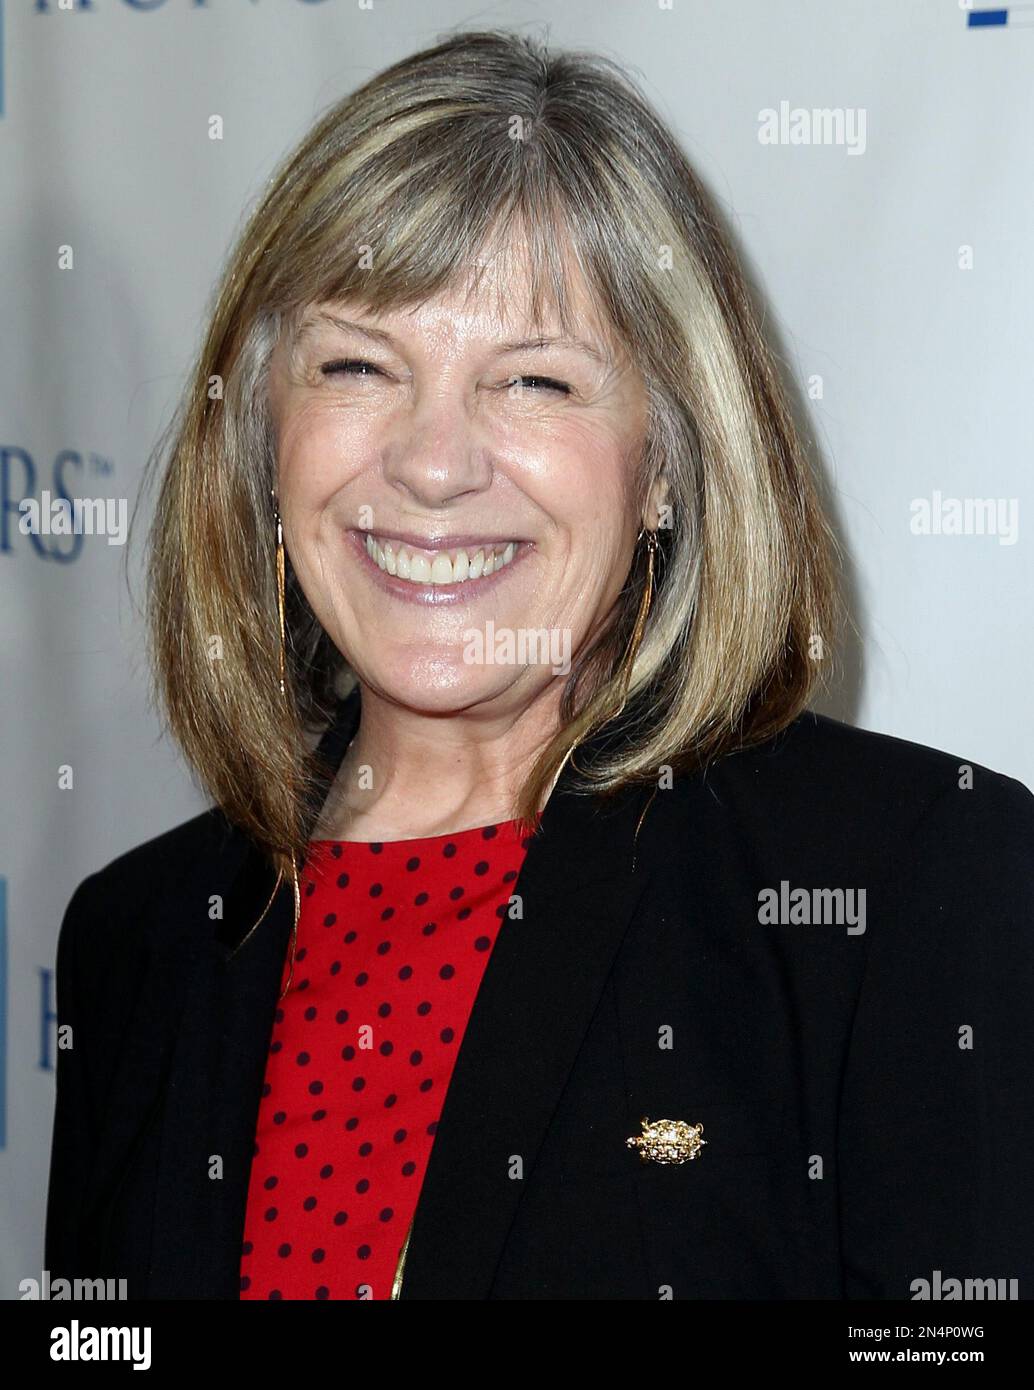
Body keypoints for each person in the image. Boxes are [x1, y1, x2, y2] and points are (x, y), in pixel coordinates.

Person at [44, 29, 1034, 1301]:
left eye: (534, 381)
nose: (433, 462)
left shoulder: (911, 888)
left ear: (667, 462)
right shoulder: (139, 944)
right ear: (260, 440)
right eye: (356, 365)